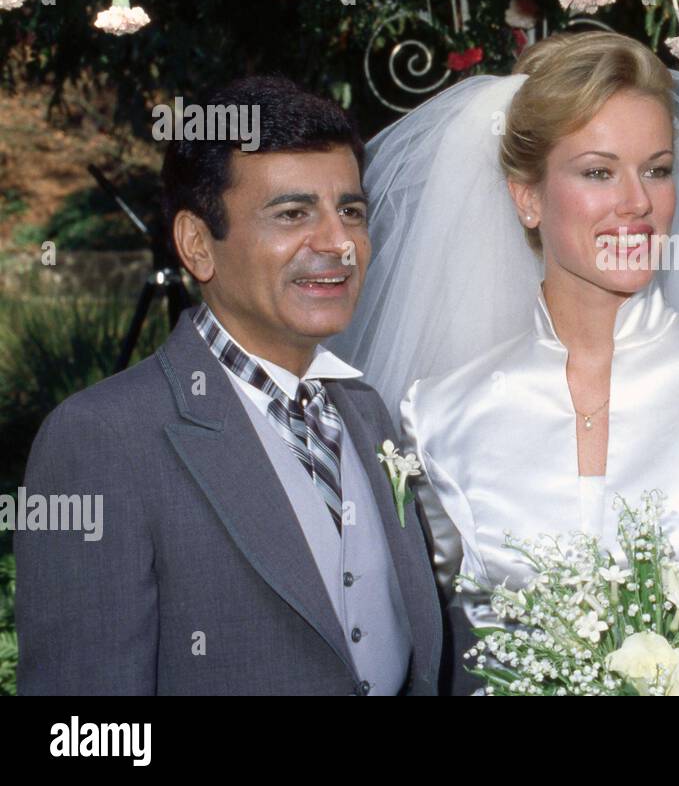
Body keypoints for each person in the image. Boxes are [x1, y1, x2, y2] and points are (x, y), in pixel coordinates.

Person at [331, 31, 679, 694]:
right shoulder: (440, 416)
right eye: (598, 172)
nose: (637, 202)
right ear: (527, 197)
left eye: (656, 169)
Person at [16, 75, 442, 695]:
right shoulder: (102, 439)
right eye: (293, 213)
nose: (338, 244)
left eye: (350, 211)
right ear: (197, 244)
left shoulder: (367, 411)